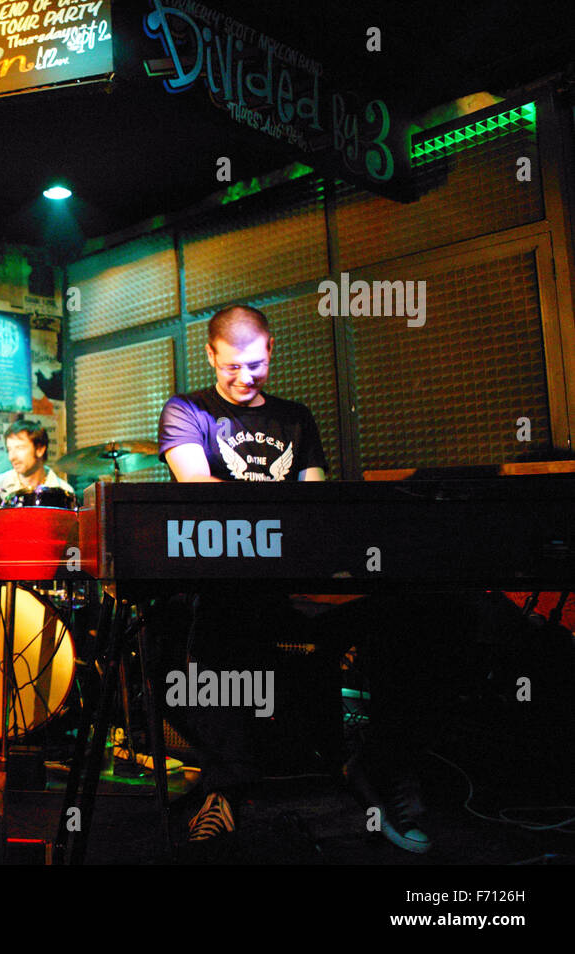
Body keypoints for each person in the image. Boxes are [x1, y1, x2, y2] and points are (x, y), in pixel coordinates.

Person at [157, 304, 450, 855]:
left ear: (272, 351)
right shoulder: (187, 410)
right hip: (229, 580)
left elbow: (314, 504)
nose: (245, 378)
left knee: (420, 610)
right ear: (210, 355)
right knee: (216, 620)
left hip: (296, 583)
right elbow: (198, 494)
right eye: (232, 368)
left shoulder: (297, 417)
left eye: (257, 365)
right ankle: (228, 788)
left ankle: (382, 766)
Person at [0, 418, 75, 509]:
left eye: (20, 448)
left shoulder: (64, 491)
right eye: (9, 450)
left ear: (40, 449)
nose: (12, 457)